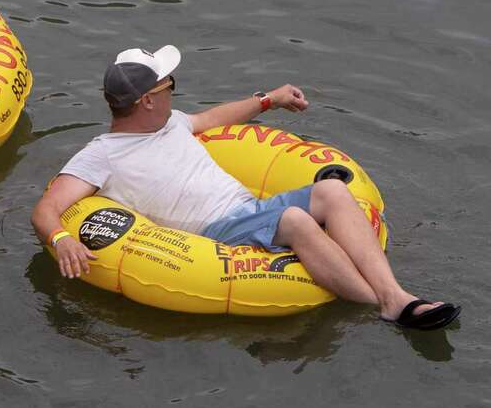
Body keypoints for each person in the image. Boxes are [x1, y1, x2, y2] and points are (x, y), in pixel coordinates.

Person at [31, 44, 460, 331]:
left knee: (332, 192)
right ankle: (390, 304)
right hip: (214, 232)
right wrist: (63, 237)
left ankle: (391, 299)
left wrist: (269, 99)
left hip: (249, 208)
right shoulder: (102, 154)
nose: (174, 95)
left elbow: (214, 118)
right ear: (146, 100)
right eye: (169, 87)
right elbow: (47, 208)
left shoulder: (172, 124)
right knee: (294, 218)